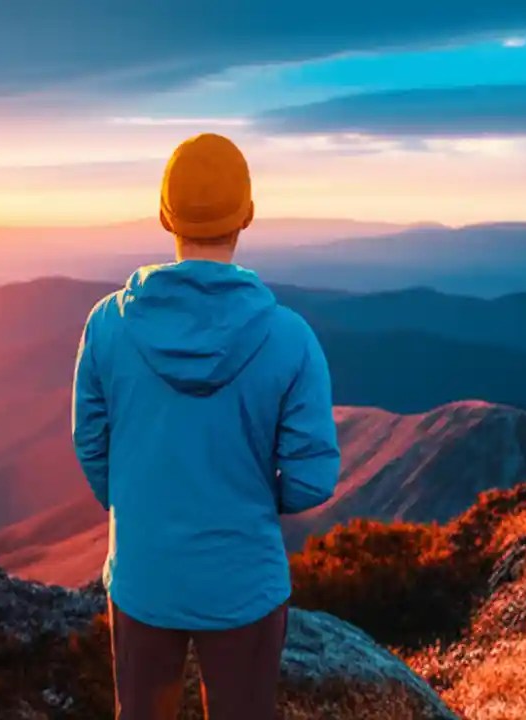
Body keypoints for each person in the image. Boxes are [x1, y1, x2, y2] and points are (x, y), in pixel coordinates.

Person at [71, 133, 341, 719]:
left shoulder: (107, 326)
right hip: (245, 581)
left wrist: (139, 503)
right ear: (247, 213)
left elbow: (91, 445)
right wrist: (244, 499)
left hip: (144, 572)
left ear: (165, 213)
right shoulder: (290, 338)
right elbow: (311, 480)